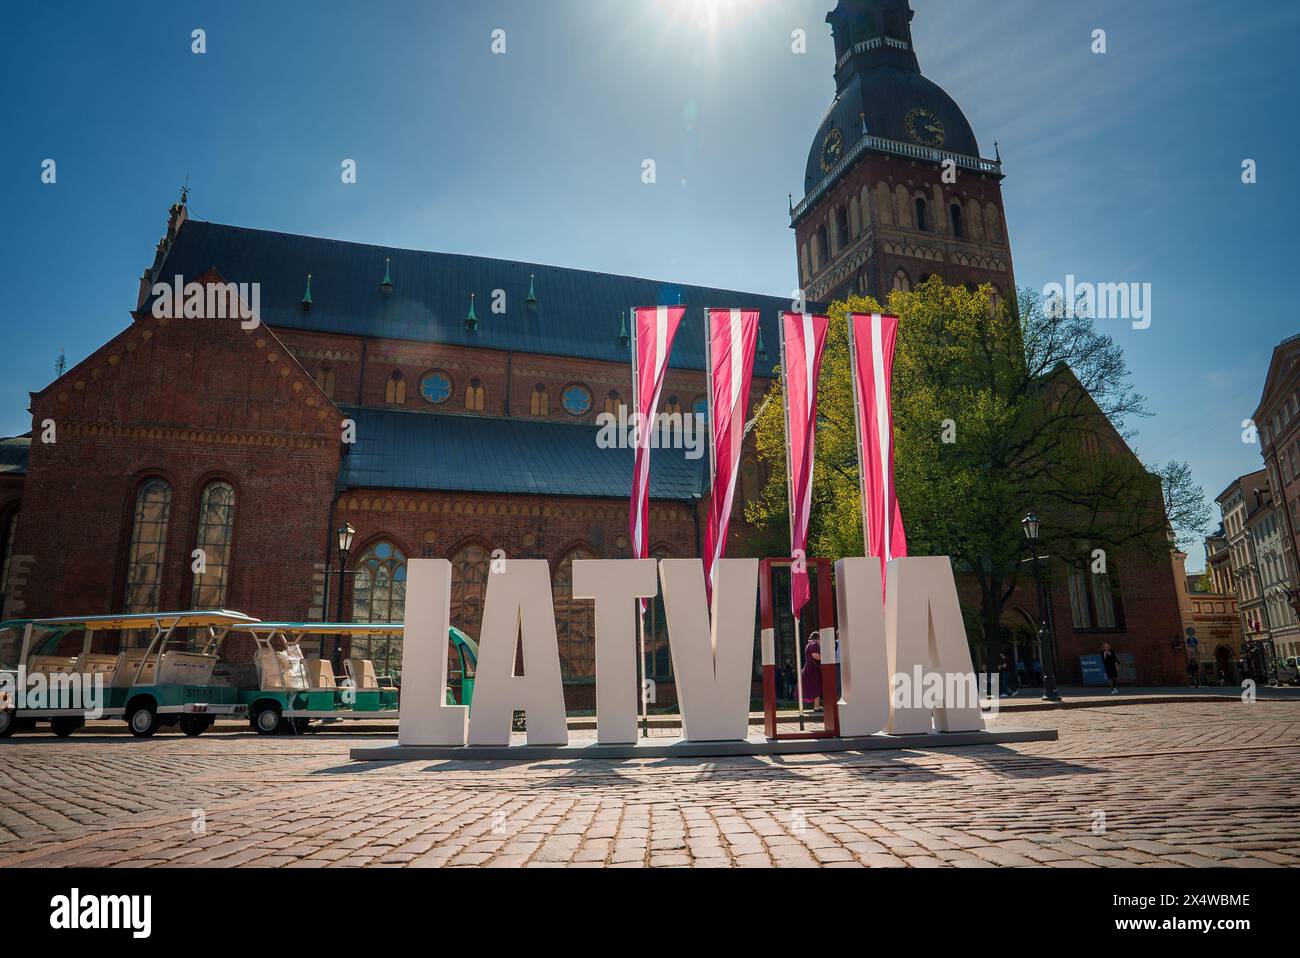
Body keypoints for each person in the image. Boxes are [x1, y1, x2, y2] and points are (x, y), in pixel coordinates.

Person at [801, 633, 823, 712]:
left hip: (809, 666)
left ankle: (816, 706)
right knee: (816, 686)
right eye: (820, 639)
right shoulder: (814, 644)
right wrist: (825, 658)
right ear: (817, 638)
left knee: (814, 687)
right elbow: (814, 655)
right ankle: (816, 707)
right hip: (812, 668)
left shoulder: (809, 644)